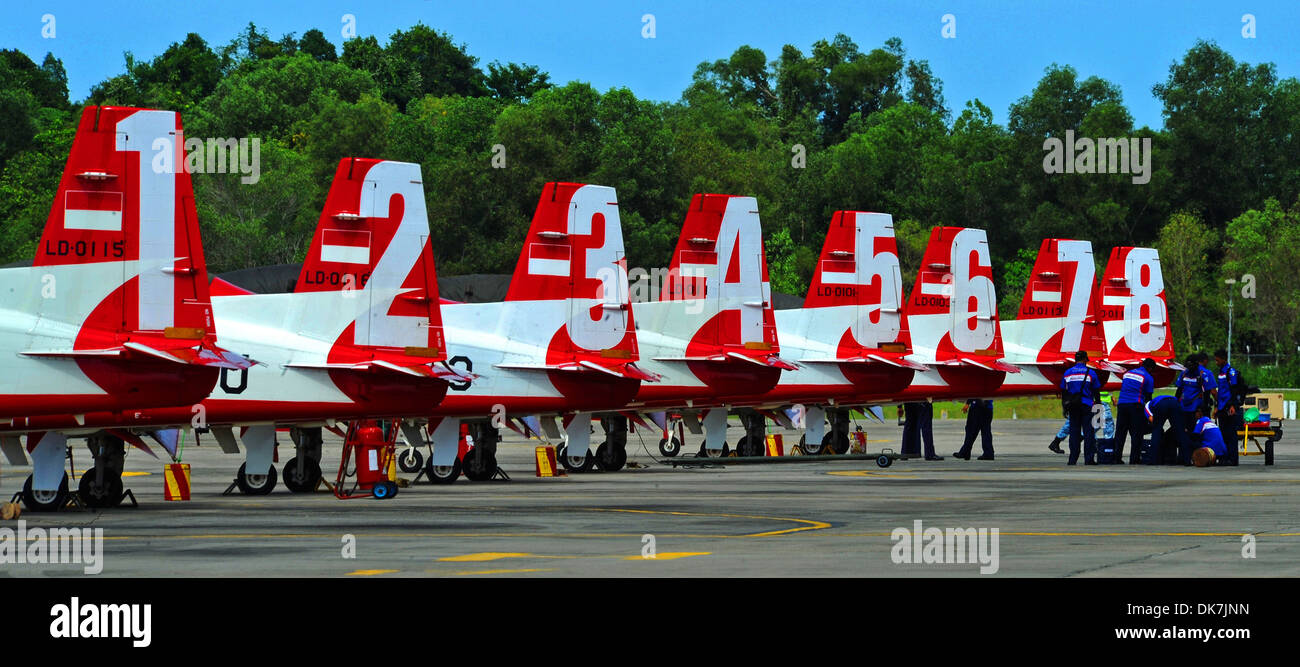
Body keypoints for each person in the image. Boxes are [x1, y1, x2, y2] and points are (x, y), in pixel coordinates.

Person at [1060, 351, 1101, 465]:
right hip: (1087, 405)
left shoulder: (1068, 373)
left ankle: (1072, 459)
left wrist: (1064, 408)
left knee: (1074, 432)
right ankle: (1089, 459)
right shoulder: (1091, 373)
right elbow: (1096, 392)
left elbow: (1064, 392)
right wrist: (1098, 407)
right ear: (1084, 360)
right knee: (1089, 432)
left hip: (1073, 406)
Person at [1114, 359, 1157, 464]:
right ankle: (1134, 459)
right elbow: (1148, 398)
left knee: (1120, 432)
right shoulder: (1148, 377)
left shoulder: (1128, 373)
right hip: (1135, 405)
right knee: (1136, 433)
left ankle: (1116, 458)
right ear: (1150, 368)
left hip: (1122, 404)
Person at [1214, 349, 1244, 466]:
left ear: (1223, 359)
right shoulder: (1221, 372)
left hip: (1229, 406)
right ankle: (1225, 457)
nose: (1216, 362)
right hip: (1222, 406)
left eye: (1217, 360)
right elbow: (1221, 391)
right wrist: (1217, 406)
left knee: (1231, 434)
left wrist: (1233, 405)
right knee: (1223, 433)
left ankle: (1233, 459)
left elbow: (1234, 389)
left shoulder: (1230, 372)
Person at [1145, 394, 1192, 464]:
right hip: (1175, 403)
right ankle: (1186, 460)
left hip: (1161, 404)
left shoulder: (1147, 405)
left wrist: (1158, 428)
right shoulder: (1173, 400)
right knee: (1181, 433)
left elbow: (1152, 419)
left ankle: (1153, 460)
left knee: (1156, 431)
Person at [1174, 357, 1206, 436]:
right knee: (1183, 430)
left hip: (1195, 408)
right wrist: (1176, 403)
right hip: (1183, 406)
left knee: (1194, 430)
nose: (1190, 368)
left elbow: (1206, 392)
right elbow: (1179, 389)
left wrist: (1202, 407)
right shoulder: (1184, 373)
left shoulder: (1201, 374)